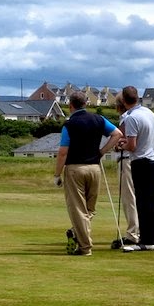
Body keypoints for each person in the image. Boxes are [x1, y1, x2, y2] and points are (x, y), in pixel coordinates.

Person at [53, 92, 122, 255]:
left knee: (78, 209)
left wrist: (57, 174)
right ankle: (76, 232)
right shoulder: (99, 119)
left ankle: (84, 247)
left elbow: (63, 151)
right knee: (90, 209)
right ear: (86, 103)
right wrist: (102, 152)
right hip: (94, 168)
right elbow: (117, 134)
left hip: (75, 168)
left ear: (70, 106)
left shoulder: (69, 124)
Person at [117, 86, 154, 252]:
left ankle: (146, 240)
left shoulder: (131, 118)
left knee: (143, 202)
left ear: (123, 100)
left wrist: (121, 144)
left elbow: (132, 145)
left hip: (141, 161)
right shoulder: (149, 112)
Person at [110, 94, 139, 249]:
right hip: (138, 161)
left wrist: (116, 145)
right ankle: (138, 231)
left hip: (127, 160)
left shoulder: (126, 119)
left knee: (129, 198)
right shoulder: (139, 115)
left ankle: (133, 234)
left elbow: (120, 140)